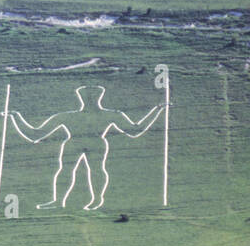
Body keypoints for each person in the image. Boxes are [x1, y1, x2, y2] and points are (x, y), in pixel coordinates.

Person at [9, 84, 164, 211]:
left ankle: (96, 199)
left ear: (99, 97)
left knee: (95, 169)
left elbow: (134, 130)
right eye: (87, 97)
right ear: (81, 98)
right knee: (66, 170)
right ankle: (59, 201)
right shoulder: (68, 116)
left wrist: (157, 109)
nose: (89, 99)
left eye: (92, 97)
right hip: (75, 143)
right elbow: (35, 134)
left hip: (95, 143)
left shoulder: (109, 115)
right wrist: (15, 116)